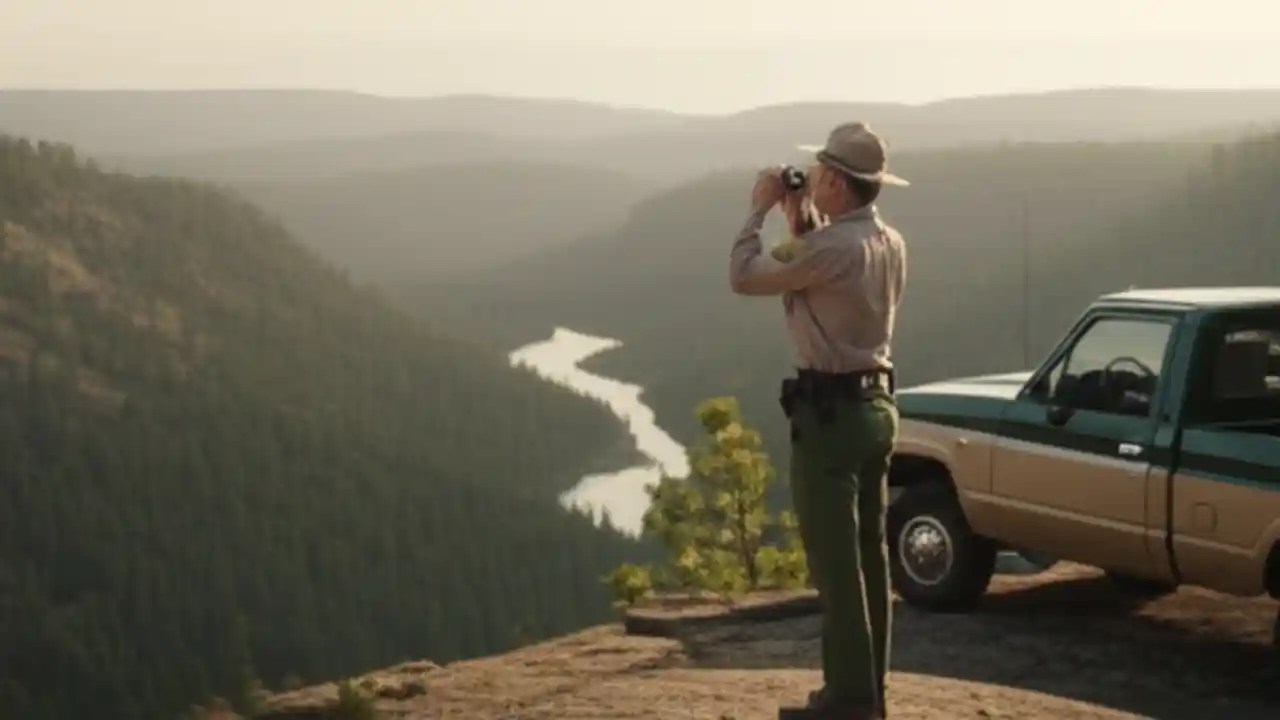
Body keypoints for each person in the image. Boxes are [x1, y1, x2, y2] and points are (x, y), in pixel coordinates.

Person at [728, 122, 908, 720]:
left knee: (836, 568)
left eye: (820, 174)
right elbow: (819, 263)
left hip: (829, 417)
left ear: (834, 180)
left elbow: (746, 277)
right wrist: (798, 211)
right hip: (878, 408)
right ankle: (869, 693)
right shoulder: (887, 242)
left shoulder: (832, 249)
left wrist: (758, 212)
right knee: (869, 556)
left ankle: (848, 703)